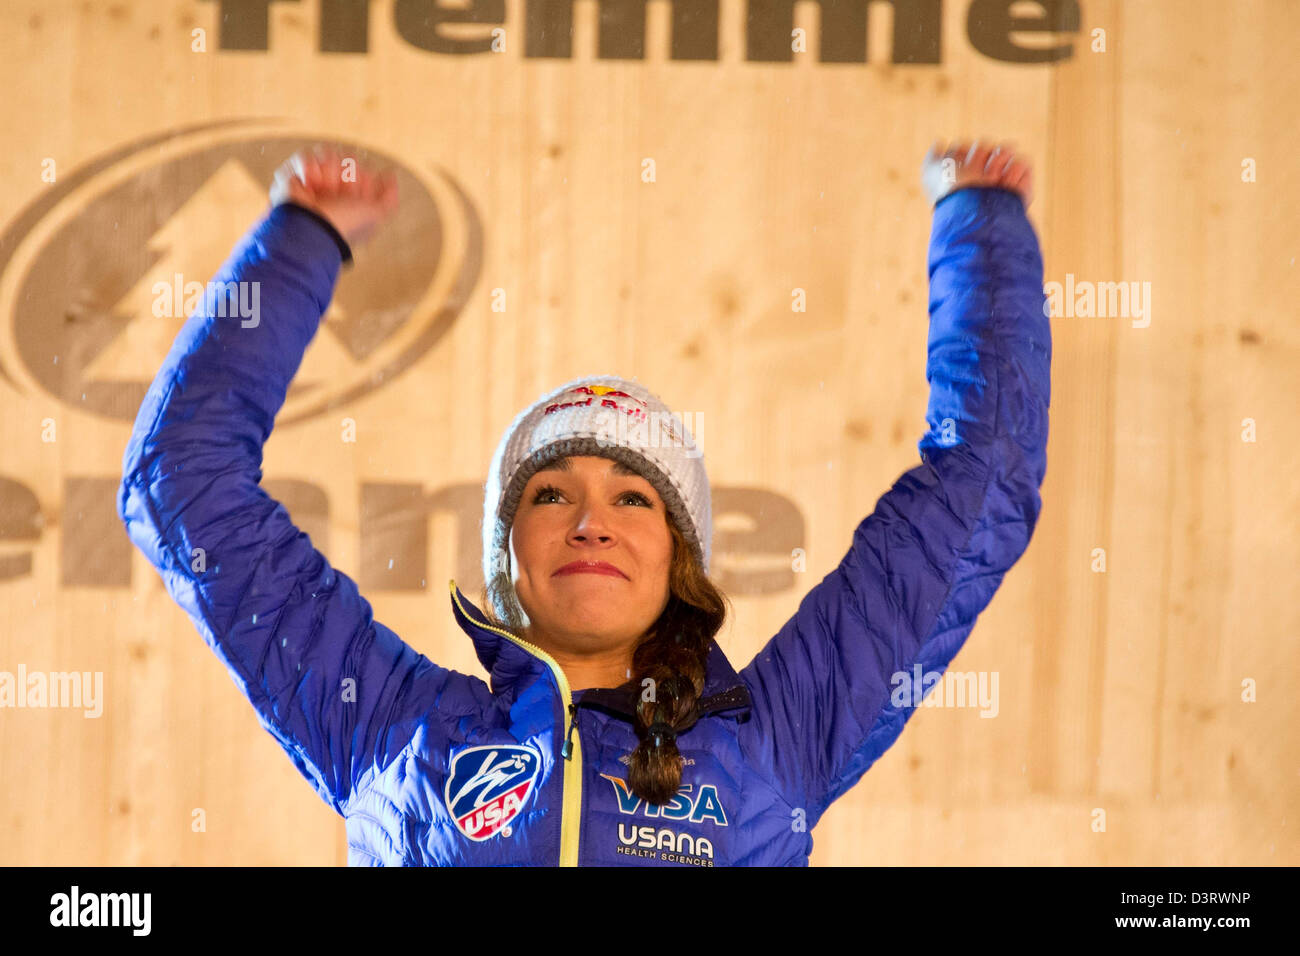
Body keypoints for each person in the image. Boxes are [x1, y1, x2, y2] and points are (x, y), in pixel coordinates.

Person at [117, 140, 1048, 866]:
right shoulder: (393, 730)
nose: (591, 520)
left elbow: (982, 485)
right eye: (551, 491)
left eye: (635, 498)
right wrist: (300, 238)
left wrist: (982, 227)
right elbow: (182, 482)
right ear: (507, 552)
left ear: (680, 554)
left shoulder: (780, 735)